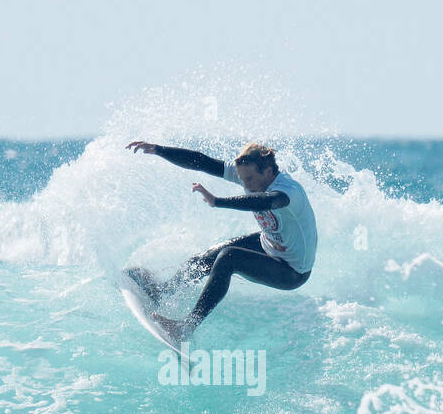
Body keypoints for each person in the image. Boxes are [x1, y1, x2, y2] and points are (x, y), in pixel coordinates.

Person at [124, 140, 317, 340]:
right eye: (243, 179)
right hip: (269, 244)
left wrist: (218, 202)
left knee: (228, 258)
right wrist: (159, 149)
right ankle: (162, 292)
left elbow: (266, 200)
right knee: (208, 257)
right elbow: (201, 162)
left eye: (249, 179)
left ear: (268, 171)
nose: (246, 185)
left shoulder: (289, 192)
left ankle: (186, 328)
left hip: (292, 270)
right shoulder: (248, 174)